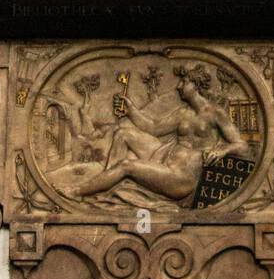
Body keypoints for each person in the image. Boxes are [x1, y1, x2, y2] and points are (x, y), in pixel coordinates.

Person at [73, 65, 248, 202]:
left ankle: (76, 191)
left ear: (195, 85)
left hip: (181, 176)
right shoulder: (183, 113)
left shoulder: (216, 113)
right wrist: (131, 109)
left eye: (183, 82)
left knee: (127, 165)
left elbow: (242, 146)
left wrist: (223, 151)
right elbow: (154, 127)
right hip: (164, 156)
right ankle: (108, 183)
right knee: (123, 133)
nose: (178, 87)